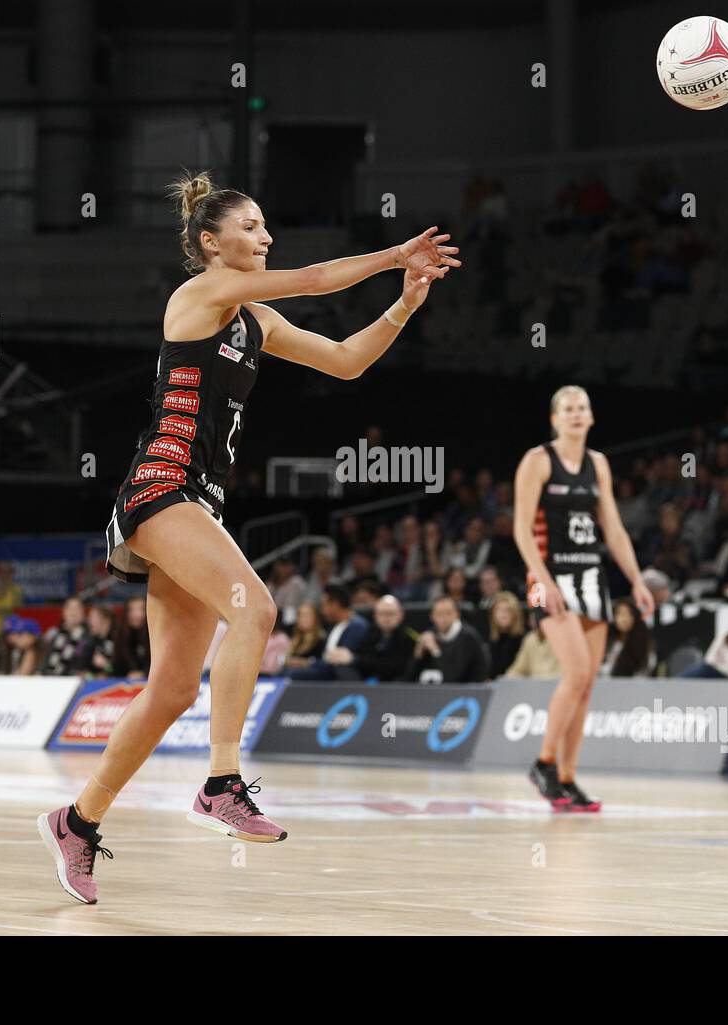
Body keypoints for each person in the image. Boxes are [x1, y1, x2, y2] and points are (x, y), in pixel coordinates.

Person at [40, 170, 460, 903]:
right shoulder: (200, 294)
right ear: (211, 243)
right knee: (256, 607)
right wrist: (394, 253)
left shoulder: (256, 321)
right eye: (252, 228)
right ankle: (220, 783)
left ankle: (76, 821)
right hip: (161, 487)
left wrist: (403, 303)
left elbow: (346, 361)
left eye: (268, 227)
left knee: (170, 689)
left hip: (200, 501)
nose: (266, 237)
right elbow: (319, 277)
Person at [513, 385, 653, 813]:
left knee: (587, 685)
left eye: (582, 408)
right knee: (574, 674)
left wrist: (637, 581)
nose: (576, 415)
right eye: (567, 409)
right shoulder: (538, 461)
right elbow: (520, 528)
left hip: (591, 576)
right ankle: (543, 762)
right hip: (548, 577)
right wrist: (543, 580)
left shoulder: (598, 464)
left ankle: (568, 779)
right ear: (555, 419)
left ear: (591, 418)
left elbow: (612, 529)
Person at [287, 584, 370, 680]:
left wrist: (309, 663)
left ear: (335, 604)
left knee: (293, 675)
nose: (322, 611)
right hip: (326, 671)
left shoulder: (356, 626)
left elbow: (338, 659)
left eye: (324, 605)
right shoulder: (333, 626)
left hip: (340, 676)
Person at [409, 596, 491, 683]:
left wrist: (435, 651)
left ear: (457, 614)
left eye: (448, 613)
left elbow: (454, 677)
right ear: (432, 616)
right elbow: (409, 677)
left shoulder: (468, 637)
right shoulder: (430, 634)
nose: (443, 618)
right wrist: (418, 654)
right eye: (439, 613)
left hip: (467, 691)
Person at [352, 594, 416, 681]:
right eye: (381, 613)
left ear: (401, 615)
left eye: (390, 613)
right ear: (375, 616)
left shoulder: (410, 637)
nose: (386, 618)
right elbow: (363, 662)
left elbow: (399, 667)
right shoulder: (367, 634)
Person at [601, 598, 656, 677]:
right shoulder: (608, 640)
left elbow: (646, 669)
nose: (622, 619)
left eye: (627, 614)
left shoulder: (643, 644)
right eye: (618, 614)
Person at [486, 592, 525, 677]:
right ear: (493, 614)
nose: (503, 614)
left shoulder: (524, 640)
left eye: (507, 610)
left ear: (515, 614)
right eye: (498, 610)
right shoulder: (490, 641)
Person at [283, 601, 326, 670]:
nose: (303, 619)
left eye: (307, 615)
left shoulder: (320, 639)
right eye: (300, 615)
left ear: (315, 618)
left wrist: (301, 662)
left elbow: (322, 664)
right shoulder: (295, 640)